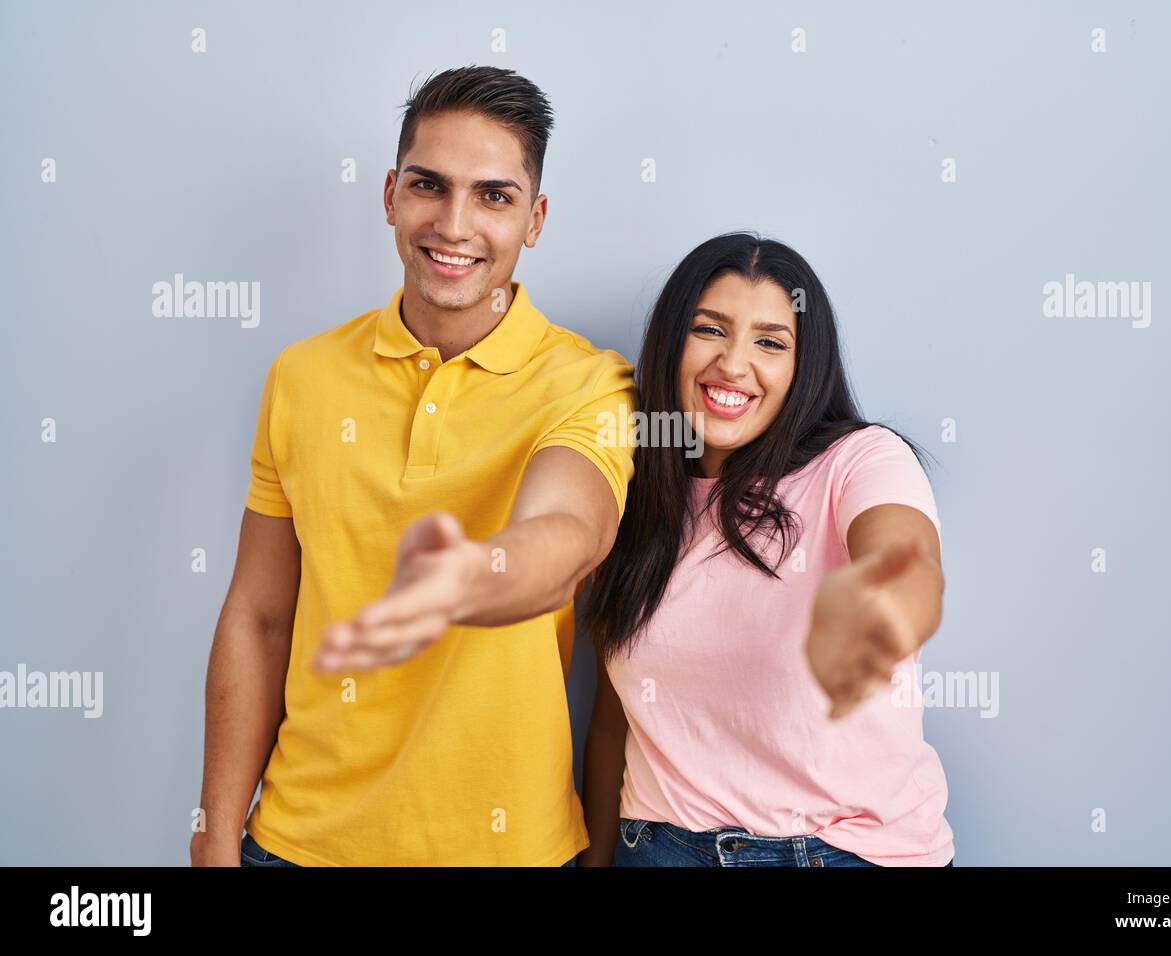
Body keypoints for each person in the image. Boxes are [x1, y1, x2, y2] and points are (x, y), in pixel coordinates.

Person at [191, 66, 637, 867]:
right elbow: (257, 618)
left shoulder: (589, 382)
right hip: (294, 845)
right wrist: (215, 829)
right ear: (392, 194)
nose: (455, 224)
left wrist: (469, 575)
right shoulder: (303, 374)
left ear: (534, 220)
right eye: (430, 185)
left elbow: (566, 532)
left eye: (494, 196)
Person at [577, 232, 955, 867]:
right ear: (672, 343)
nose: (732, 364)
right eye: (709, 330)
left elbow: (904, 557)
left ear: (804, 367)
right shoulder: (635, 490)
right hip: (660, 849)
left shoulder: (860, 461)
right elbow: (617, 718)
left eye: (770, 342)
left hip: (843, 853)